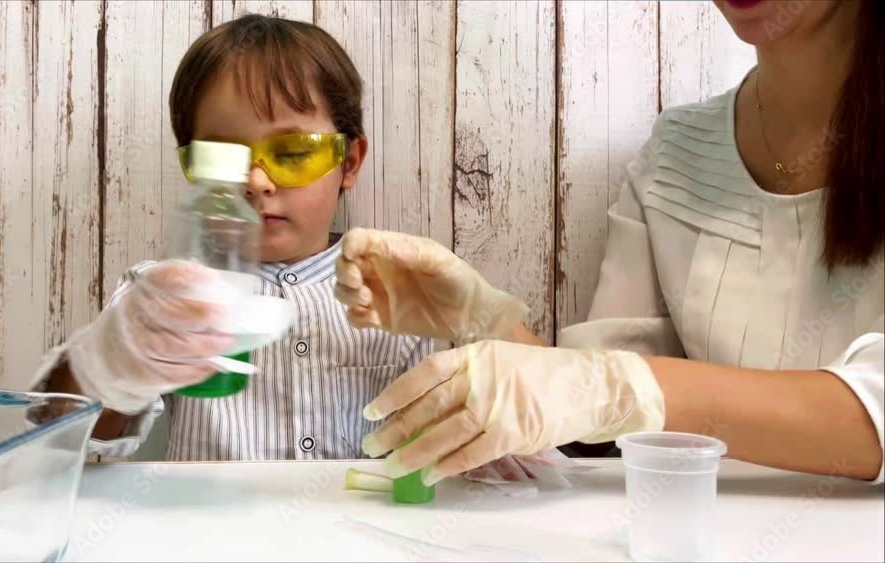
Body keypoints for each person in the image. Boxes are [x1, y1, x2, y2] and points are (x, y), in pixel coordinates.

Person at [334, 0, 884, 486]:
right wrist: (482, 317)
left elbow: (622, 388)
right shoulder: (678, 152)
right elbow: (601, 416)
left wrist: (612, 387)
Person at [28, 15, 524, 462]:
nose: (256, 182)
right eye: (223, 158)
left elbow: (506, 428)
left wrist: (484, 319)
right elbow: (67, 435)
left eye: (292, 154)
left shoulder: (399, 292)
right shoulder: (162, 293)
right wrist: (112, 357)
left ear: (349, 162)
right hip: (206, 529)